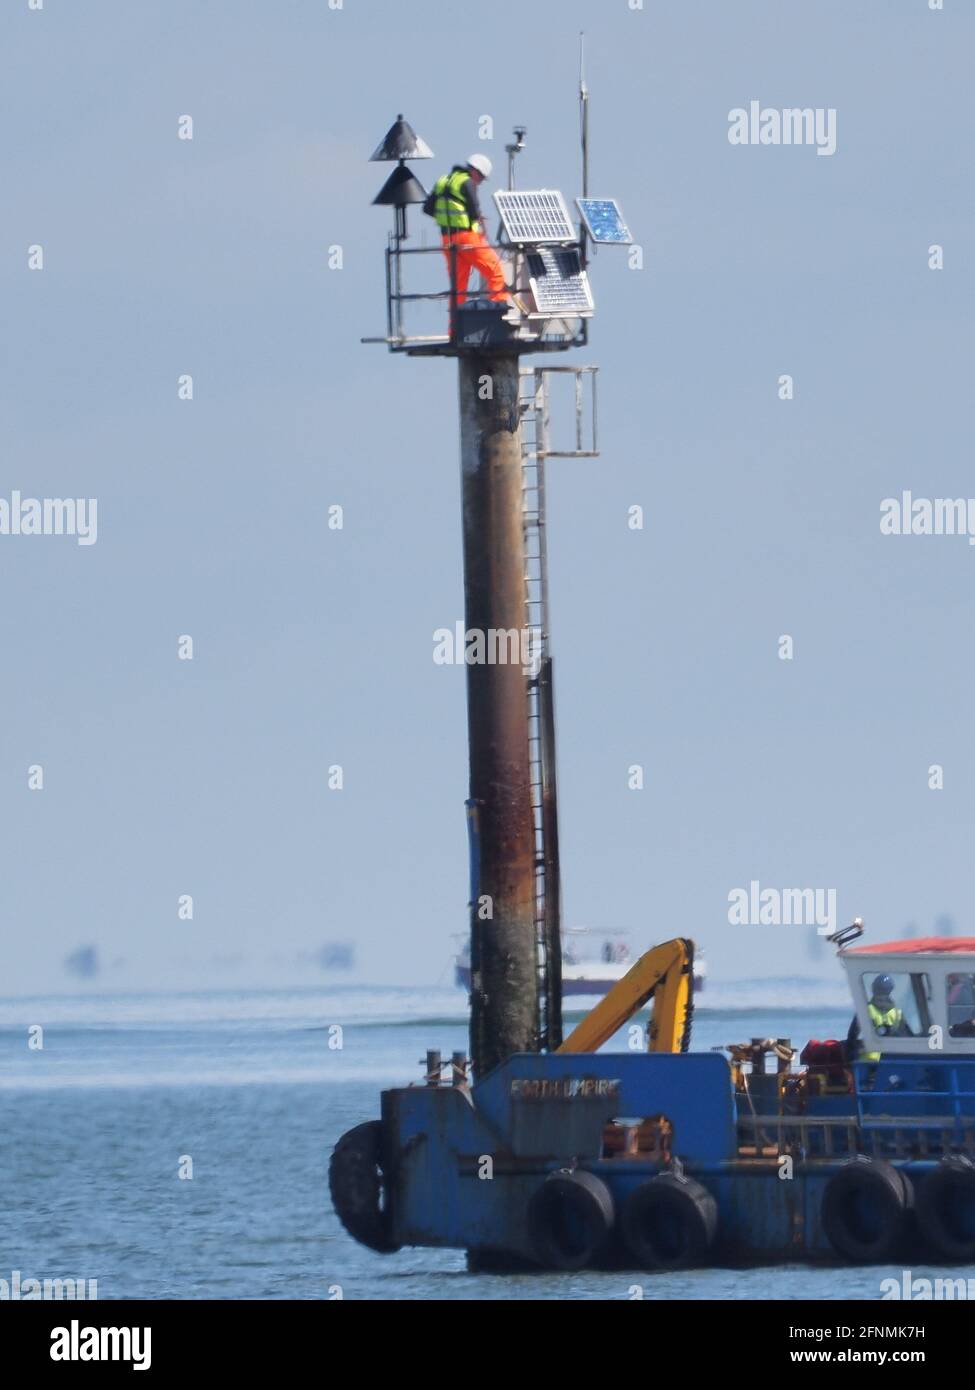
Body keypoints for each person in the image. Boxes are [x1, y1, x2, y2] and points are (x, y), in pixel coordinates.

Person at [423, 154, 513, 316]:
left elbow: (427, 209)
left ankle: (455, 329)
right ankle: (500, 318)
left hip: (447, 239)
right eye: (481, 178)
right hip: (467, 238)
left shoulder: (443, 181)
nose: (480, 182)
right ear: (475, 171)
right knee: (495, 272)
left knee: (458, 288)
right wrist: (478, 222)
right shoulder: (468, 182)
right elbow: (474, 211)